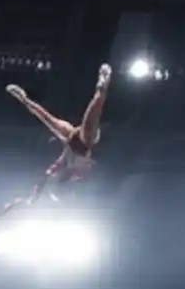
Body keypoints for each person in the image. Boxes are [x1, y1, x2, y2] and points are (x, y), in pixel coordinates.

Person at [6, 64, 111, 201]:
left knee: (46, 117)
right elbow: (91, 167)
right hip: (85, 142)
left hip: (71, 139)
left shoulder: (59, 171)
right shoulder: (78, 175)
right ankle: (103, 83)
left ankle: (24, 99)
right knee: (96, 105)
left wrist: (34, 196)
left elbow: (45, 178)